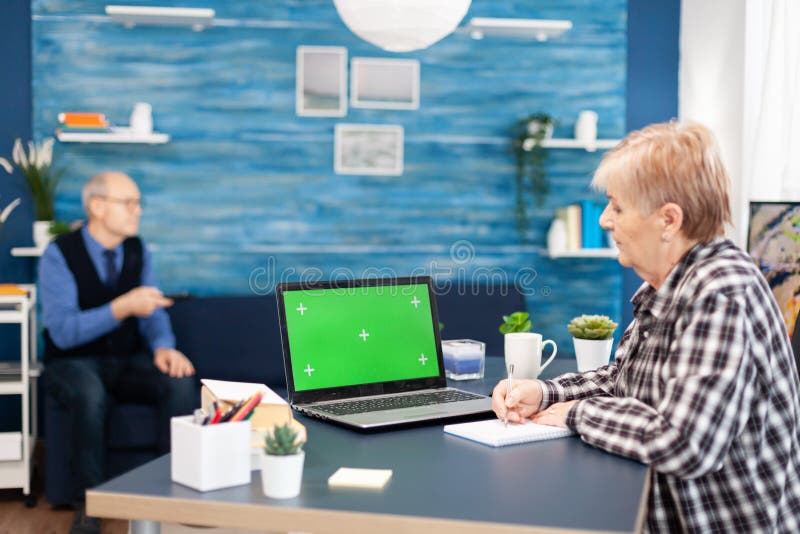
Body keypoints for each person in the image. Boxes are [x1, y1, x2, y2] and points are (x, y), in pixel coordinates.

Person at [492, 122, 800, 532]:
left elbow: (686, 444)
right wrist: (546, 392)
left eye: (617, 207)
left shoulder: (721, 294)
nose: (604, 220)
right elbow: (624, 379)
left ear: (668, 220)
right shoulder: (669, 282)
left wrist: (579, 414)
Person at [41, 171, 196, 534]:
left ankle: (172, 492)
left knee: (178, 382)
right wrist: (121, 307)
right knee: (88, 392)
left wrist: (164, 348)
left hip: (125, 360)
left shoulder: (138, 250)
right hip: (71, 361)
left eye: (138, 203)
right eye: (128, 203)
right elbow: (63, 332)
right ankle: (89, 503)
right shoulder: (59, 254)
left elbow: (152, 309)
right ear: (97, 206)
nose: (137, 211)